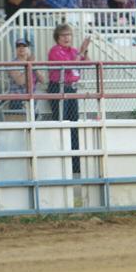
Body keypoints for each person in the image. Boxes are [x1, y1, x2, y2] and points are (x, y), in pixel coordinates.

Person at [47, 24, 91, 173]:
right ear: (57, 38)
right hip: (58, 88)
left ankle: (75, 164)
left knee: (73, 124)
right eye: (63, 35)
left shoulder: (73, 50)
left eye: (69, 35)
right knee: (62, 123)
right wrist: (81, 52)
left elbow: (87, 63)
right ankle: (60, 163)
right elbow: (68, 66)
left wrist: (85, 51)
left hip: (72, 88)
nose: (67, 38)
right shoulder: (55, 51)